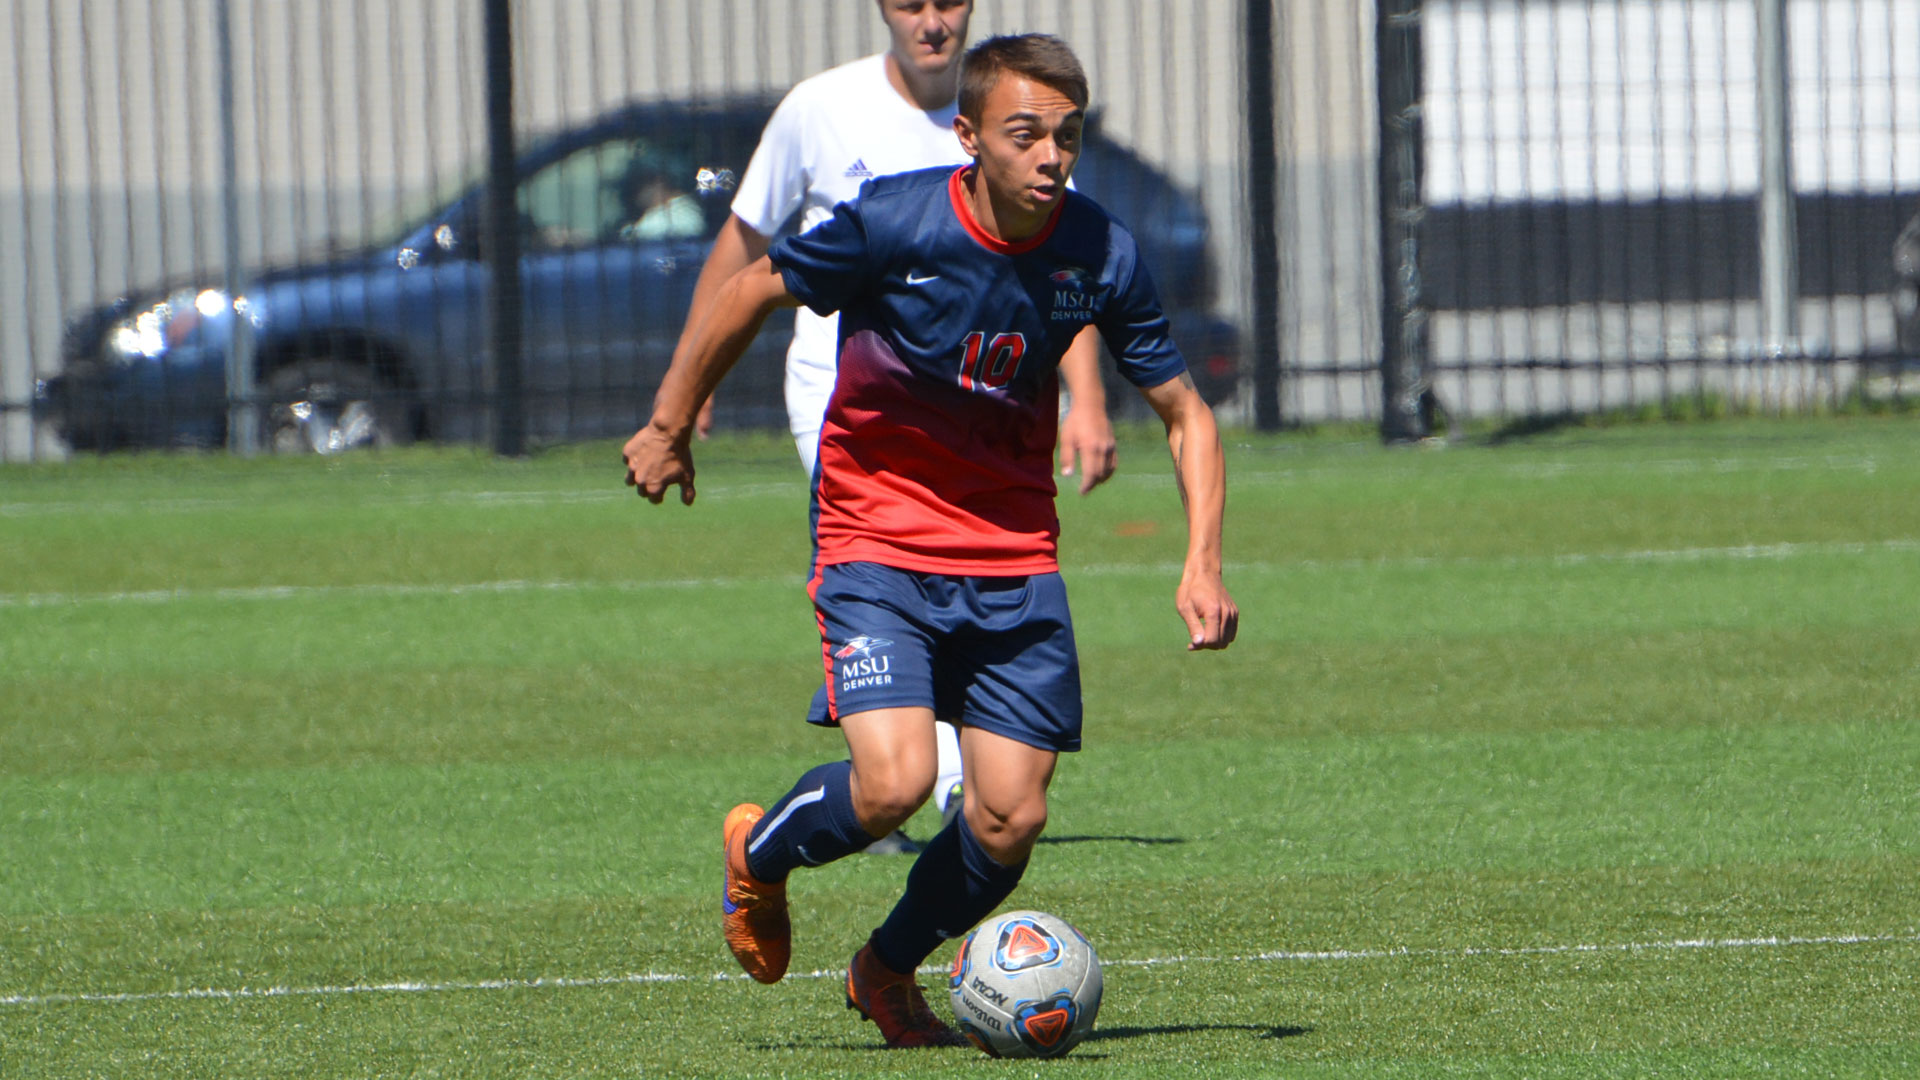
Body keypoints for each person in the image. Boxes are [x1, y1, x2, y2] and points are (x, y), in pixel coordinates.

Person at [623, 33, 1237, 1048]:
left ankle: (883, 970)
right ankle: (758, 856)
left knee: (1009, 818)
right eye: (1026, 134)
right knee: (898, 782)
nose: (1051, 157)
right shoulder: (895, 222)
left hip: (1012, 560)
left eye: (1067, 137)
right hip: (877, 538)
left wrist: (1202, 561)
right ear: (970, 138)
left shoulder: (1099, 249)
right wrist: (670, 421)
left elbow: (1187, 414)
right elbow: (746, 290)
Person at [675, 0, 1120, 852]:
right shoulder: (820, 108)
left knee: (966, 571)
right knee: (884, 554)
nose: (932, 20)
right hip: (848, 397)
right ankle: (904, 772)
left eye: (948, 1)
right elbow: (744, 245)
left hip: (982, 414)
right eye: (912, 3)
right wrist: (690, 379)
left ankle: (921, 775)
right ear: (885, 9)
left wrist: (1086, 398)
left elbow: (1063, 275)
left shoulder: (1022, 118)